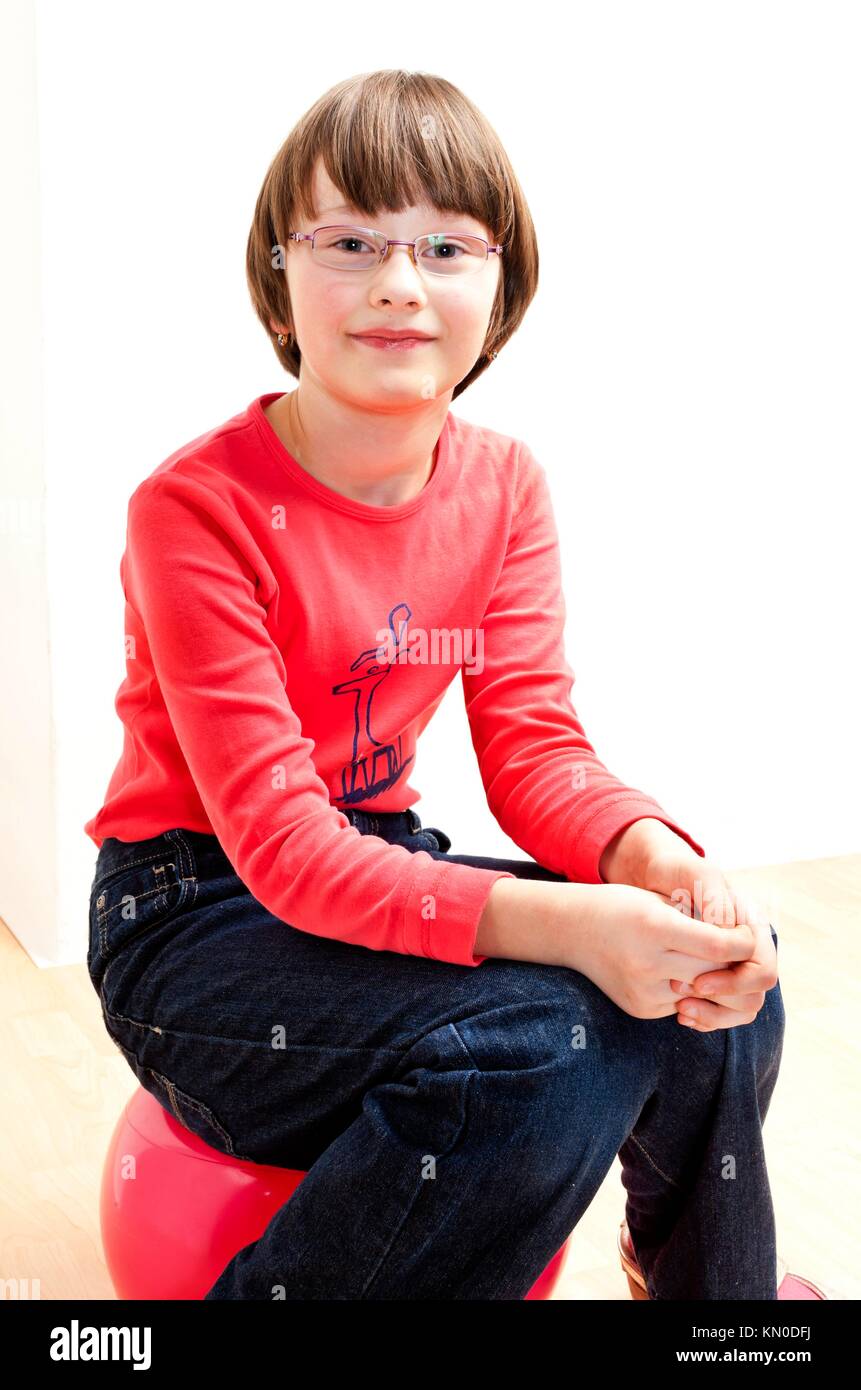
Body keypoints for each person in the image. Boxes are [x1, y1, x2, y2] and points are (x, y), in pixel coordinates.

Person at [84, 69, 825, 1300]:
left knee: (726, 986)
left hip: (378, 854)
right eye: (349, 241)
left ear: (501, 282)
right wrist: (575, 927)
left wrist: (649, 862)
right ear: (279, 279)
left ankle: (716, 1312)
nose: (395, 280)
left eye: (442, 245)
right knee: (547, 1044)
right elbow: (278, 843)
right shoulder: (196, 509)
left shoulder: (504, 484)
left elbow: (536, 744)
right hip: (193, 912)